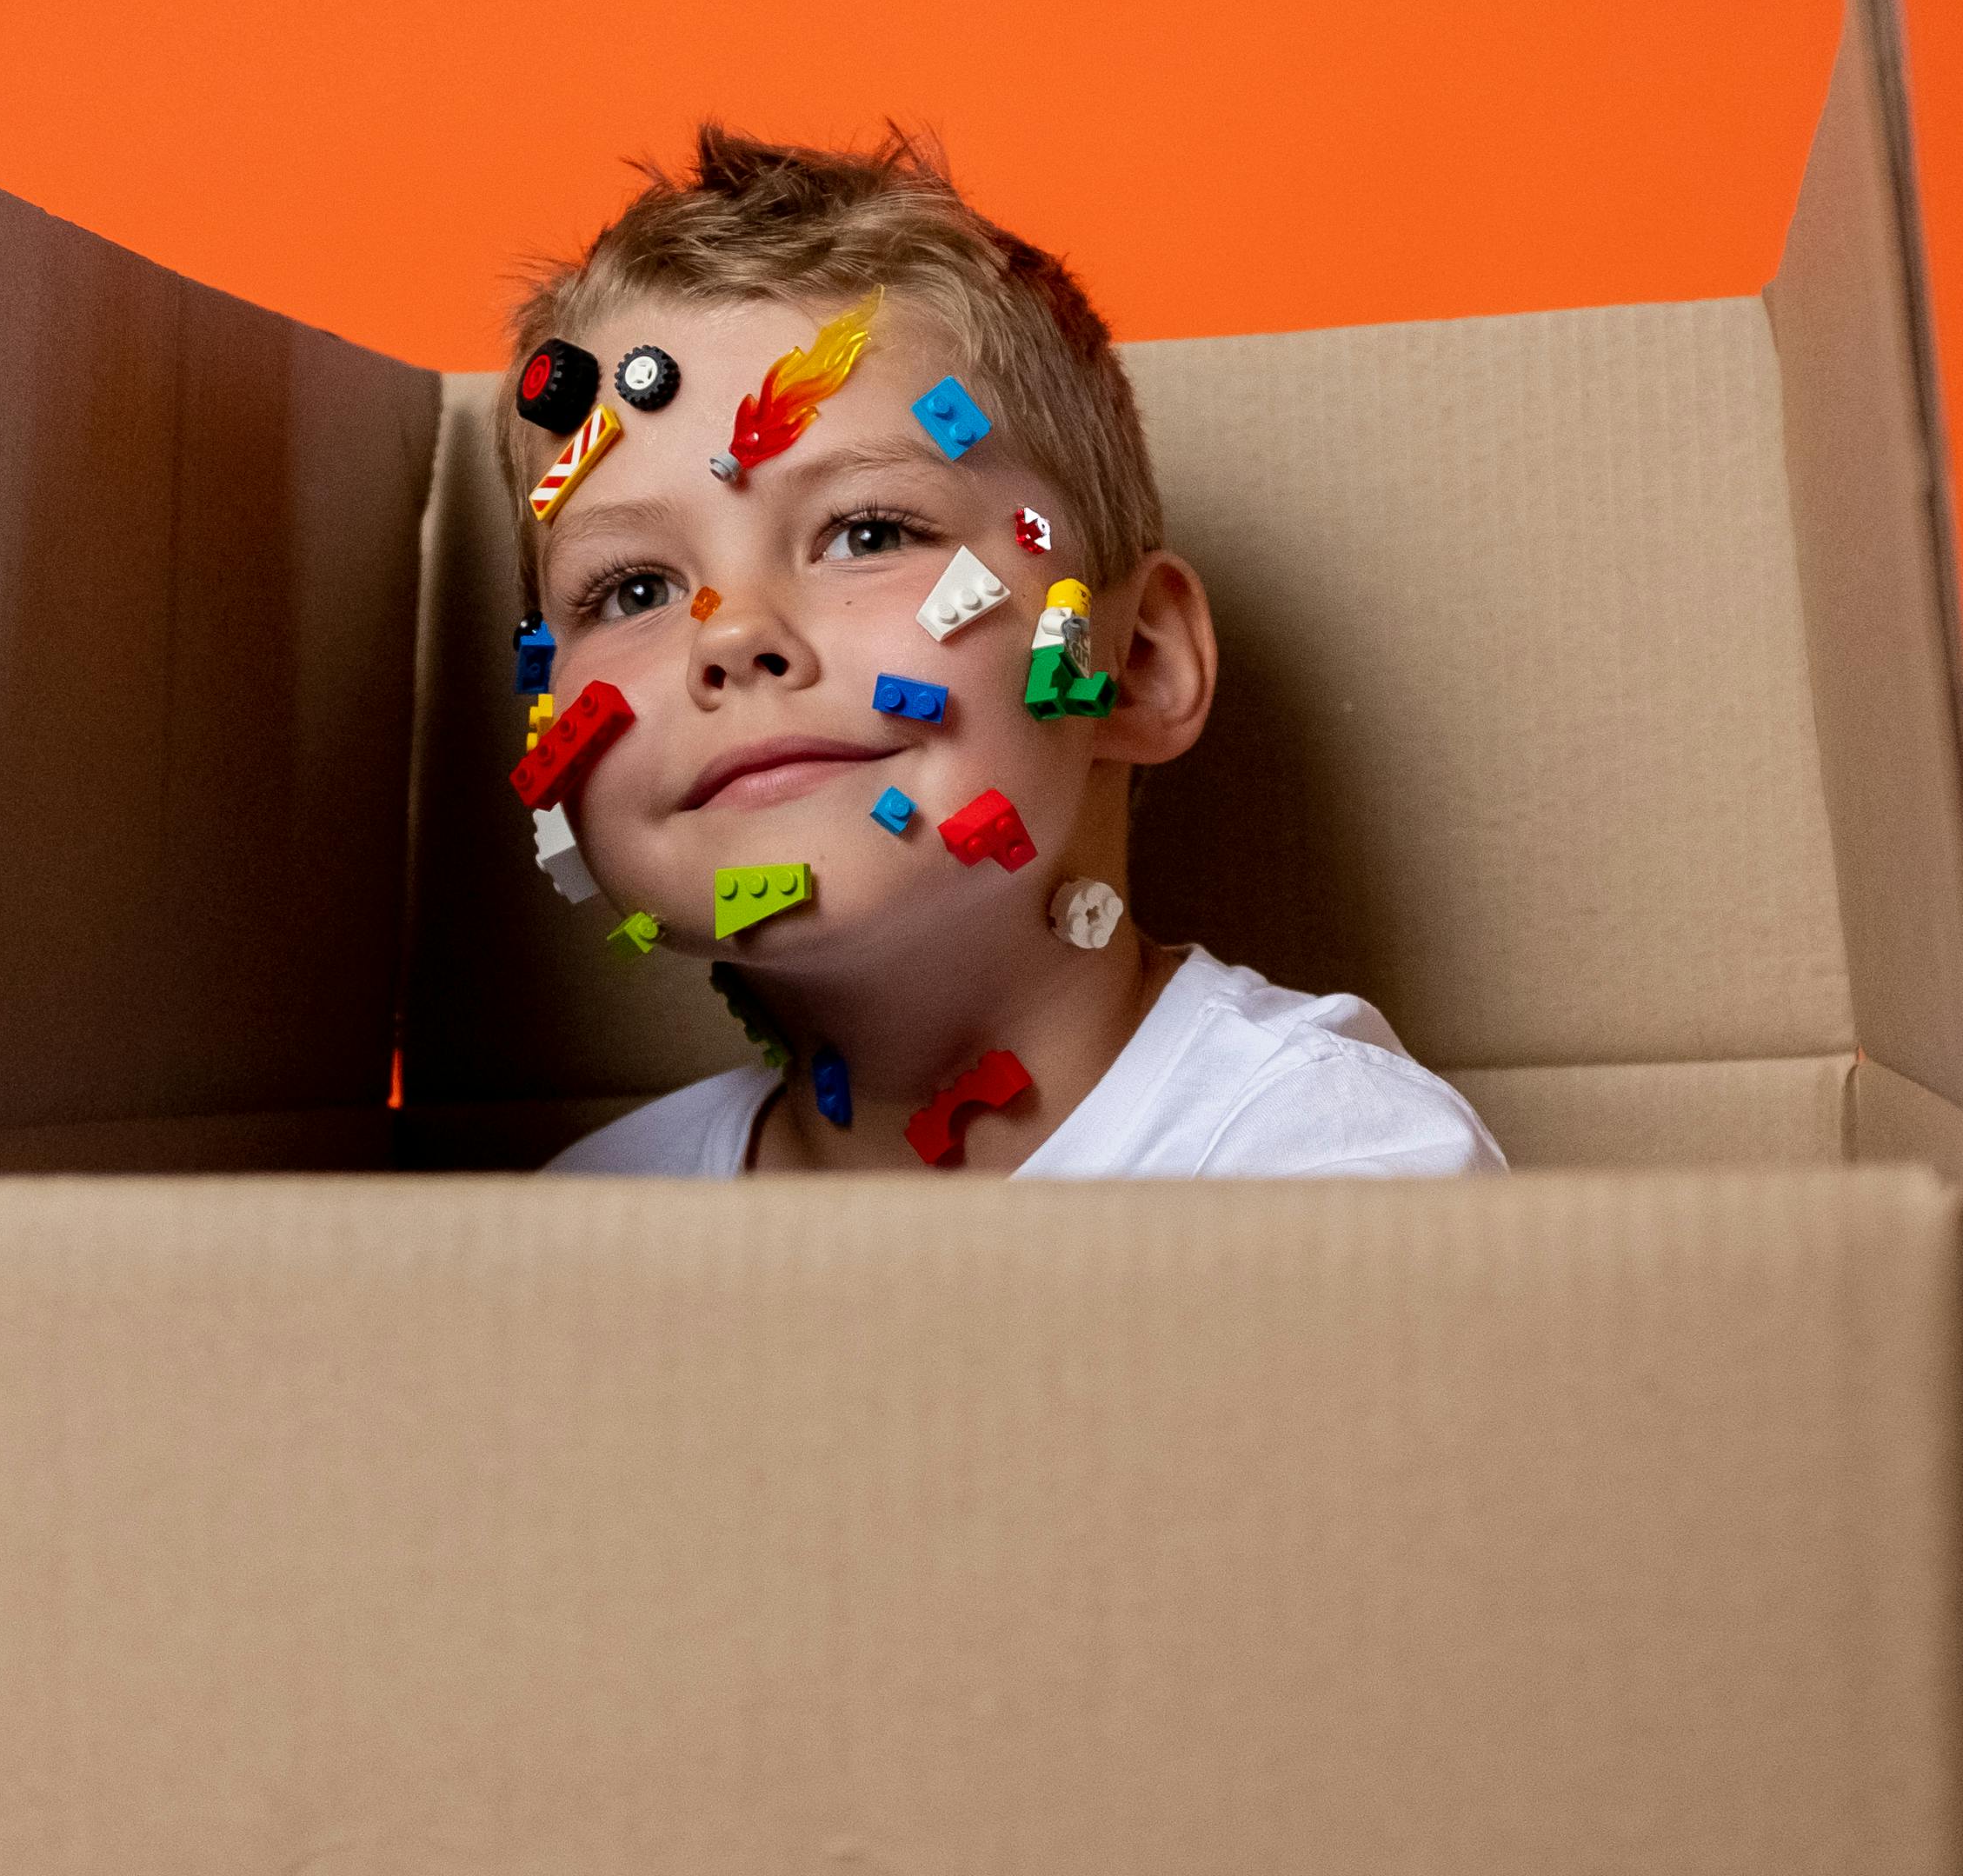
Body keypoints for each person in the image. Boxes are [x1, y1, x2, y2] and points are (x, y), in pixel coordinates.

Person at [513, 124, 1505, 1181]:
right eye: (632, 589)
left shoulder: (1333, 1168)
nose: (733, 632)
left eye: (870, 531)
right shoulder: (573, 1224)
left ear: (1132, 663)